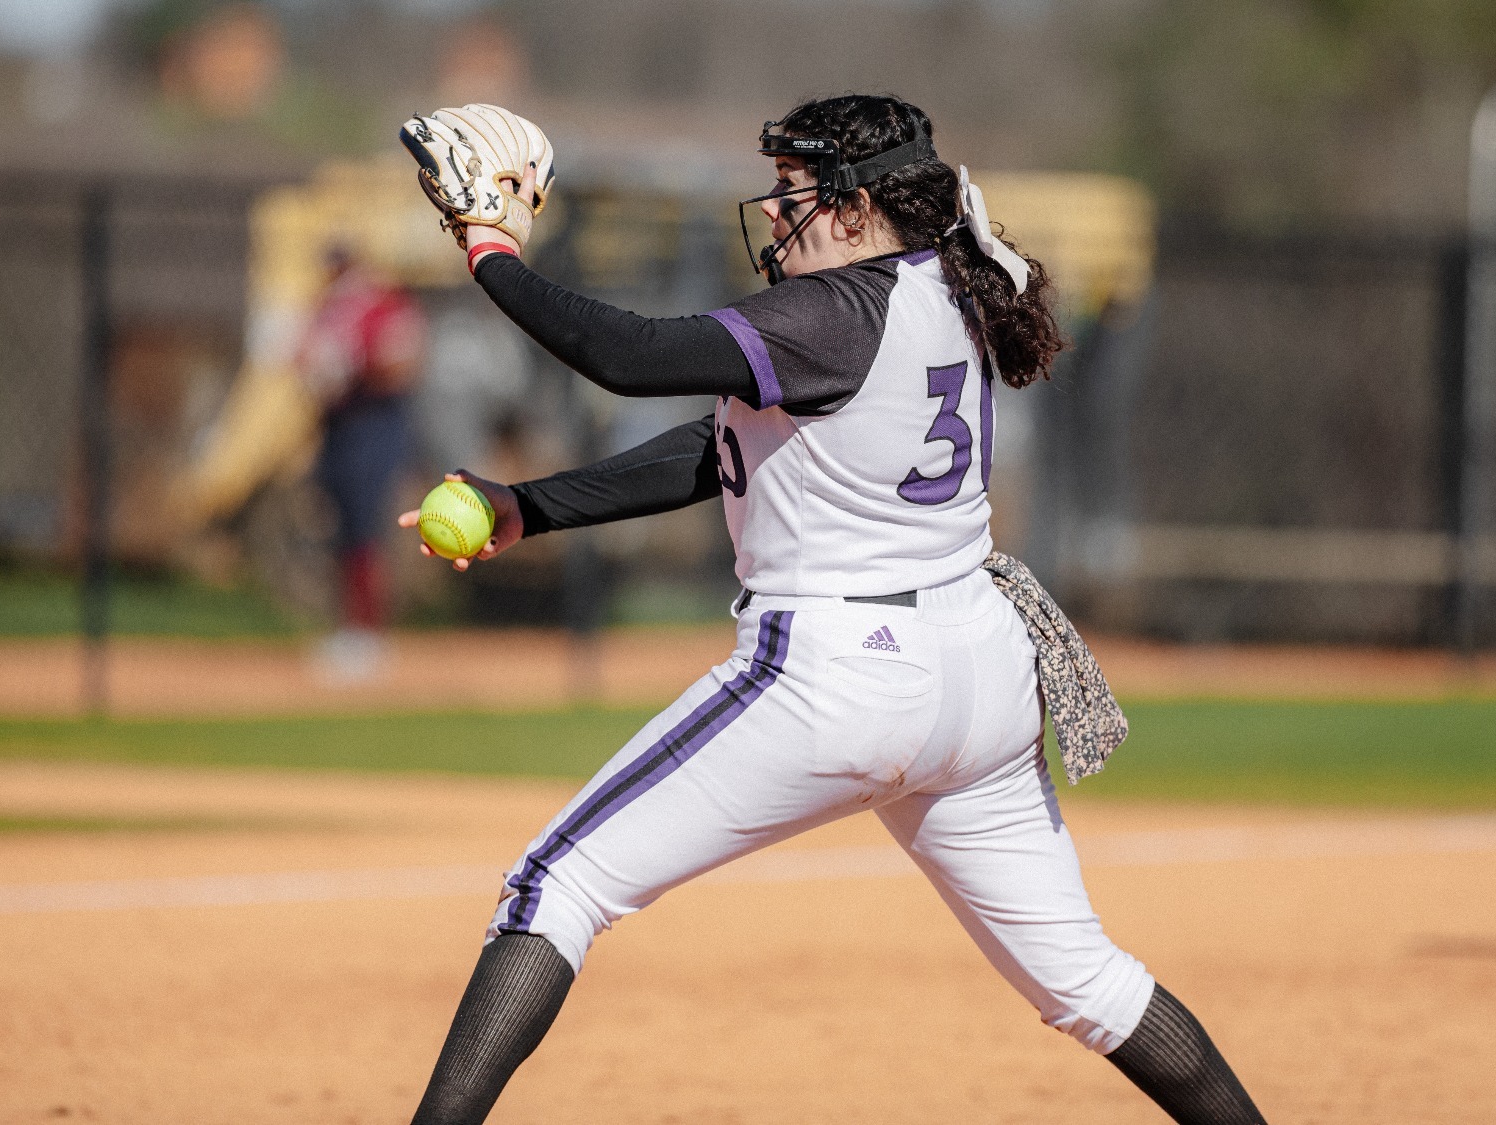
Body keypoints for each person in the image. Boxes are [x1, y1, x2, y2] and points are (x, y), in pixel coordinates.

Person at [393, 95, 1267, 1124]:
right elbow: (722, 453)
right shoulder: (950, 280)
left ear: (855, 208)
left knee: (554, 888)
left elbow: (626, 357)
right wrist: (527, 509)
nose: (771, 210)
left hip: (839, 672)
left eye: (794, 190)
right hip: (979, 678)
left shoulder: (832, 312)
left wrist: (488, 248)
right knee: (1085, 982)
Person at [297, 246, 426, 680]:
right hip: (336, 425)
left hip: (374, 423)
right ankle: (349, 630)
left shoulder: (382, 303)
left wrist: (357, 367)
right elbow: (304, 361)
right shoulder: (327, 306)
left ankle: (369, 635)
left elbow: (404, 365)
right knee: (344, 529)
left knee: (366, 529)